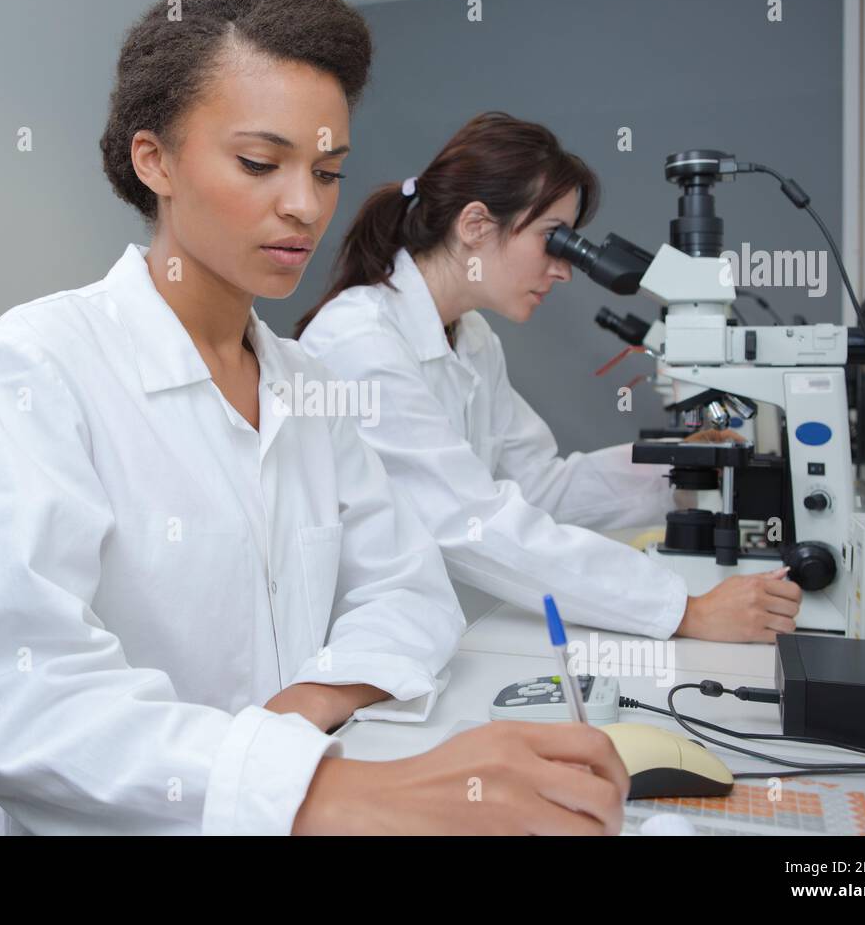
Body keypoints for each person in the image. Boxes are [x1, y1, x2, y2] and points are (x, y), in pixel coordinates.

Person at [0, 0, 628, 835]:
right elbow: (22, 698)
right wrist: (318, 789)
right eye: (260, 163)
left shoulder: (305, 384)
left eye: (327, 170)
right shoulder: (41, 362)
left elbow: (412, 593)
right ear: (156, 160)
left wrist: (295, 716)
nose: (305, 205)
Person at [296, 112, 802, 643]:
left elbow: (538, 486)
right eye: (553, 240)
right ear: (474, 226)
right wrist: (684, 611)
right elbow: (470, 525)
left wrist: (677, 472)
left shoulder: (470, 338)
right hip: (362, 651)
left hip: (444, 632)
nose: (563, 269)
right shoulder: (361, 342)